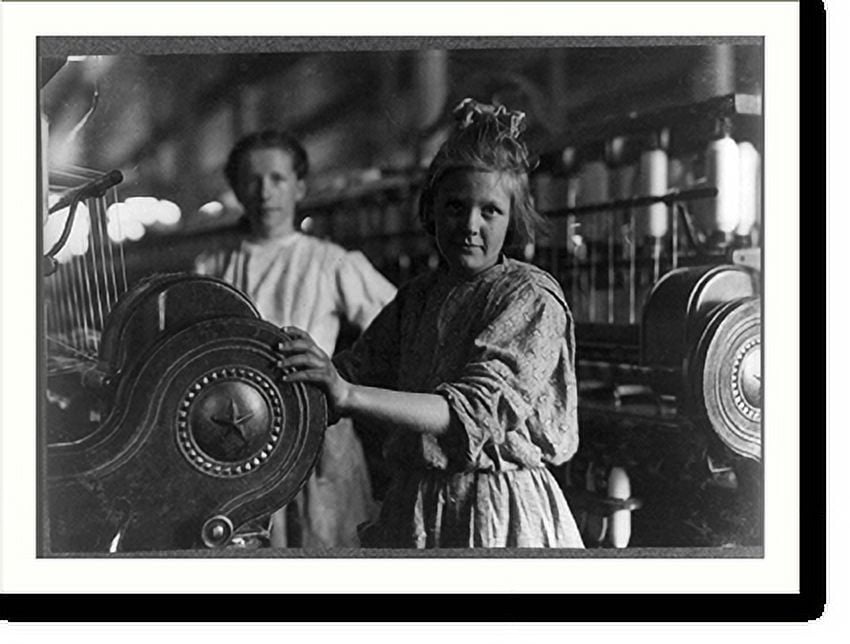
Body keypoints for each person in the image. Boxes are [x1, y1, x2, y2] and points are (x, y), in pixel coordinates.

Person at [275, 98, 584, 548]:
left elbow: (472, 413)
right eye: (455, 206)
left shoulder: (529, 296)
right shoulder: (421, 295)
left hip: (496, 511)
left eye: (490, 211)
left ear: (514, 218)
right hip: (416, 504)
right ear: (432, 209)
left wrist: (347, 394)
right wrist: (307, 367)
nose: (470, 225)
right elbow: (356, 369)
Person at [195, 129, 397, 549]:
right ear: (236, 189)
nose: (265, 191)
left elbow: (398, 327)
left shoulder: (330, 262)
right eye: (252, 180)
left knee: (324, 548)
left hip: (315, 436)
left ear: (299, 186)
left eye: (277, 178)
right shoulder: (212, 266)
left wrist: (340, 376)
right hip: (235, 438)